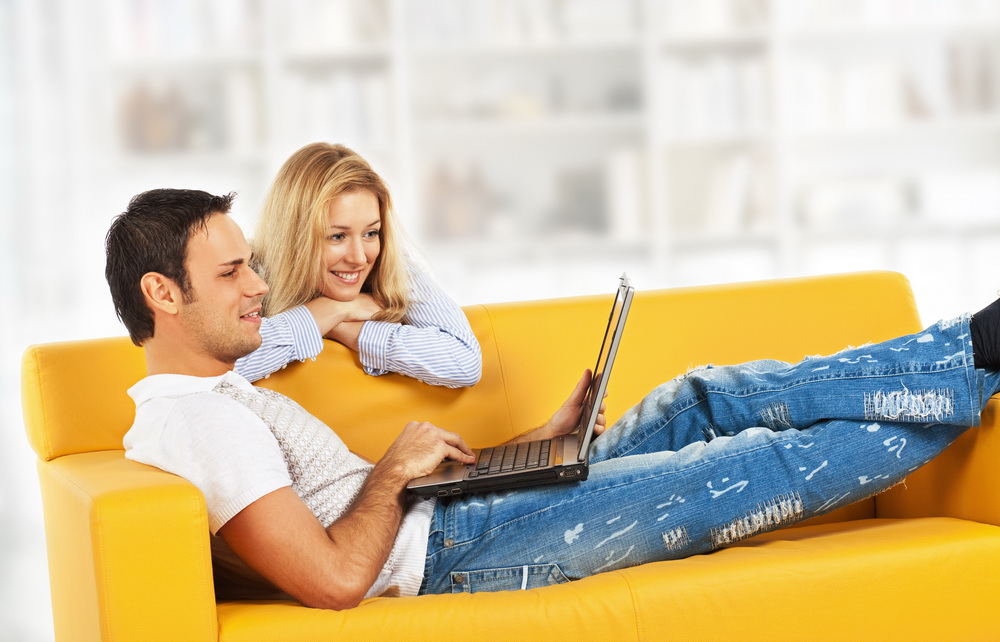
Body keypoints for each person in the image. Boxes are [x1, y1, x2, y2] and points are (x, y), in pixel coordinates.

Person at [107, 188, 1000, 610]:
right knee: (741, 471)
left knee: (699, 397)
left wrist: (540, 439)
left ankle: (970, 348)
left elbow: (371, 500)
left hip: (455, 512)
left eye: (252, 265)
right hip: (456, 551)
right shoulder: (201, 423)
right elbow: (338, 579)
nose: (259, 286)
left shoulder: (212, 388)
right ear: (162, 294)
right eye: (233, 273)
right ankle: (984, 364)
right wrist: (392, 469)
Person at [235, 142, 481, 388]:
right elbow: (220, 364)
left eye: (370, 233)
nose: (359, 258)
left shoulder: (391, 263)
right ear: (293, 237)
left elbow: (464, 362)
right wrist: (328, 312)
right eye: (337, 236)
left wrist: (352, 330)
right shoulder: (246, 269)